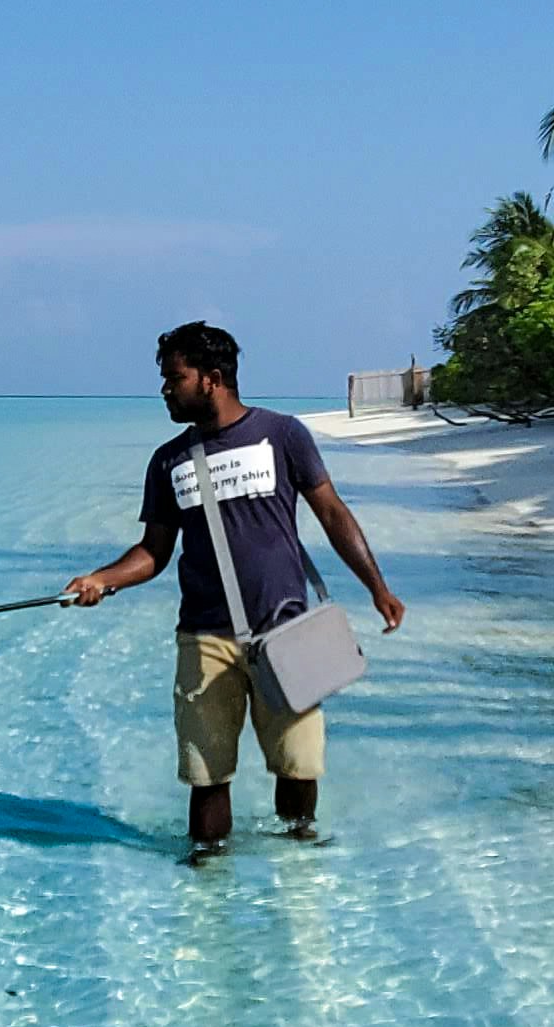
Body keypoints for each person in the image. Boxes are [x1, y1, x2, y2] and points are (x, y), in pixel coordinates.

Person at [65, 323, 405, 854]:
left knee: (298, 768)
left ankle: (300, 866)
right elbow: (153, 552)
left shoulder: (284, 435)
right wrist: (101, 580)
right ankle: (207, 887)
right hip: (204, 637)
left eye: (174, 377)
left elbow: (333, 512)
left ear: (212, 379)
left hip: (287, 633)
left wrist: (376, 588)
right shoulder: (167, 461)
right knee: (206, 776)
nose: (164, 389)